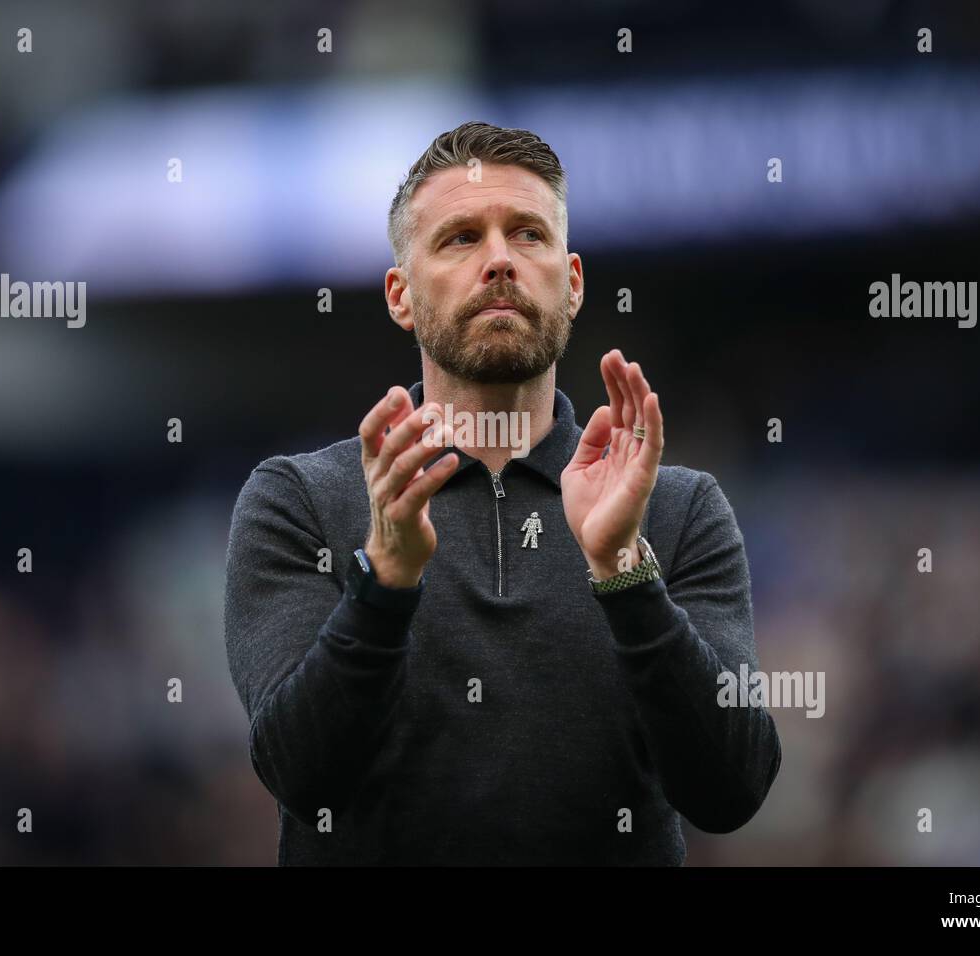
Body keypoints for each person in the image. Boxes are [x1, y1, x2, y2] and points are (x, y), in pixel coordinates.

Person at [224, 121, 781, 865]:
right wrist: (384, 581)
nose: (499, 261)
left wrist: (625, 571)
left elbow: (732, 790)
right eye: (459, 238)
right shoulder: (297, 501)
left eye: (527, 234)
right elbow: (303, 777)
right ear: (401, 294)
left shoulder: (678, 510)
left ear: (573, 281)